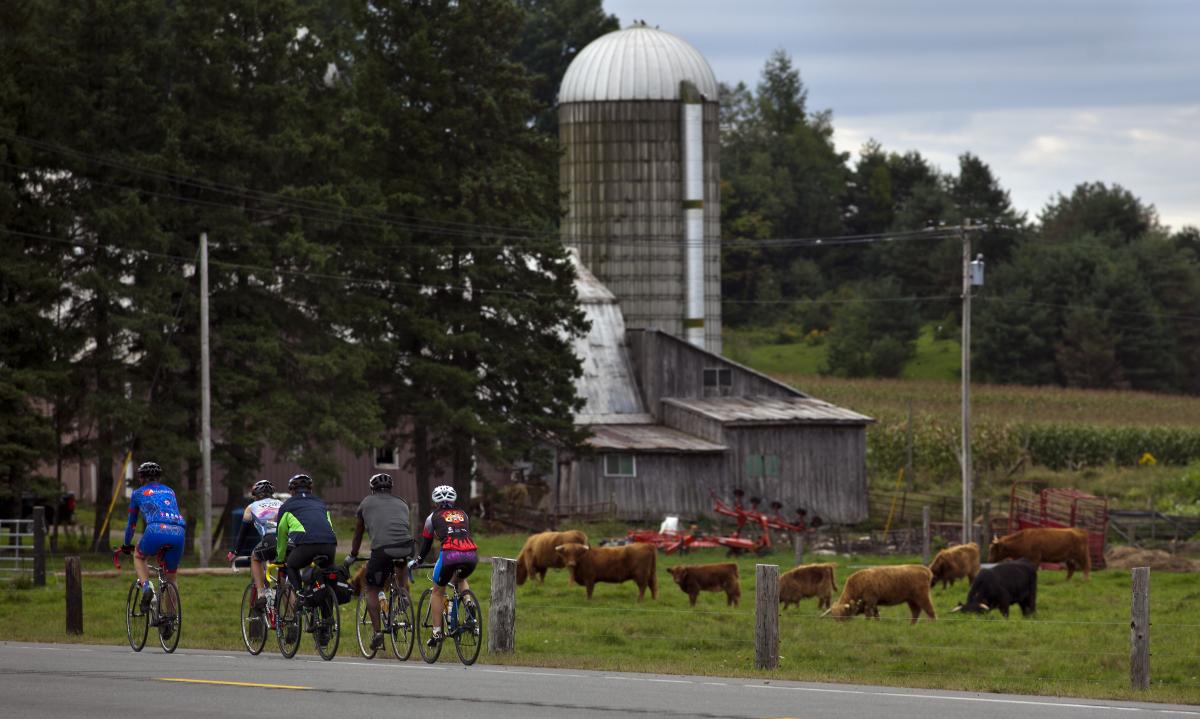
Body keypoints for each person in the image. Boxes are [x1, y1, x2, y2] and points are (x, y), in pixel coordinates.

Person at [345, 472, 414, 651]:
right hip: (406, 547)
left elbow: (358, 533)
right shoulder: (402, 502)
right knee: (399, 569)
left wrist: (353, 554)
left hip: (383, 549)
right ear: (390, 488)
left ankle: (377, 634)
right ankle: (402, 593)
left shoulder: (366, 503)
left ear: (372, 489)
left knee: (371, 588)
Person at [121, 461, 185, 635]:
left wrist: (127, 544)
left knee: (139, 556)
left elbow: (131, 525)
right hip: (179, 531)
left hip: (155, 529)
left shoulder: (137, 493)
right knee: (171, 578)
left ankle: (147, 587)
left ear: (141, 478)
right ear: (159, 477)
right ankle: (170, 619)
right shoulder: (170, 491)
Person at [410, 484, 477, 647]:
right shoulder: (463, 515)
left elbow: (426, 545)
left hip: (449, 555)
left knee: (438, 591)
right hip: (471, 555)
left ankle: (437, 632)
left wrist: (418, 561)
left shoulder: (432, 517)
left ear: (435, 501)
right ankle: (468, 603)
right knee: (460, 578)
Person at [274, 474, 337, 603]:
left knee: (291, 565)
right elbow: (329, 525)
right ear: (311, 490)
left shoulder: (287, 506)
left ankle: (300, 595)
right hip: (329, 545)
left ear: (291, 491)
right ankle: (327, 618)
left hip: (306, 545)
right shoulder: (321, 503)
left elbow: (281, 534)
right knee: (324, 578)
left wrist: (280, 558)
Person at [226, 479, 282, 612]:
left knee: (255, 557)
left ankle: (262, 593)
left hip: (270, 540)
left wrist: (235, 551)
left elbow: (243, 533)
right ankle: (292, 620)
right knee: (283, 577)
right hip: (287, 541)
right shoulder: (281, 503)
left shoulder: (252, 507)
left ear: (255, 495)